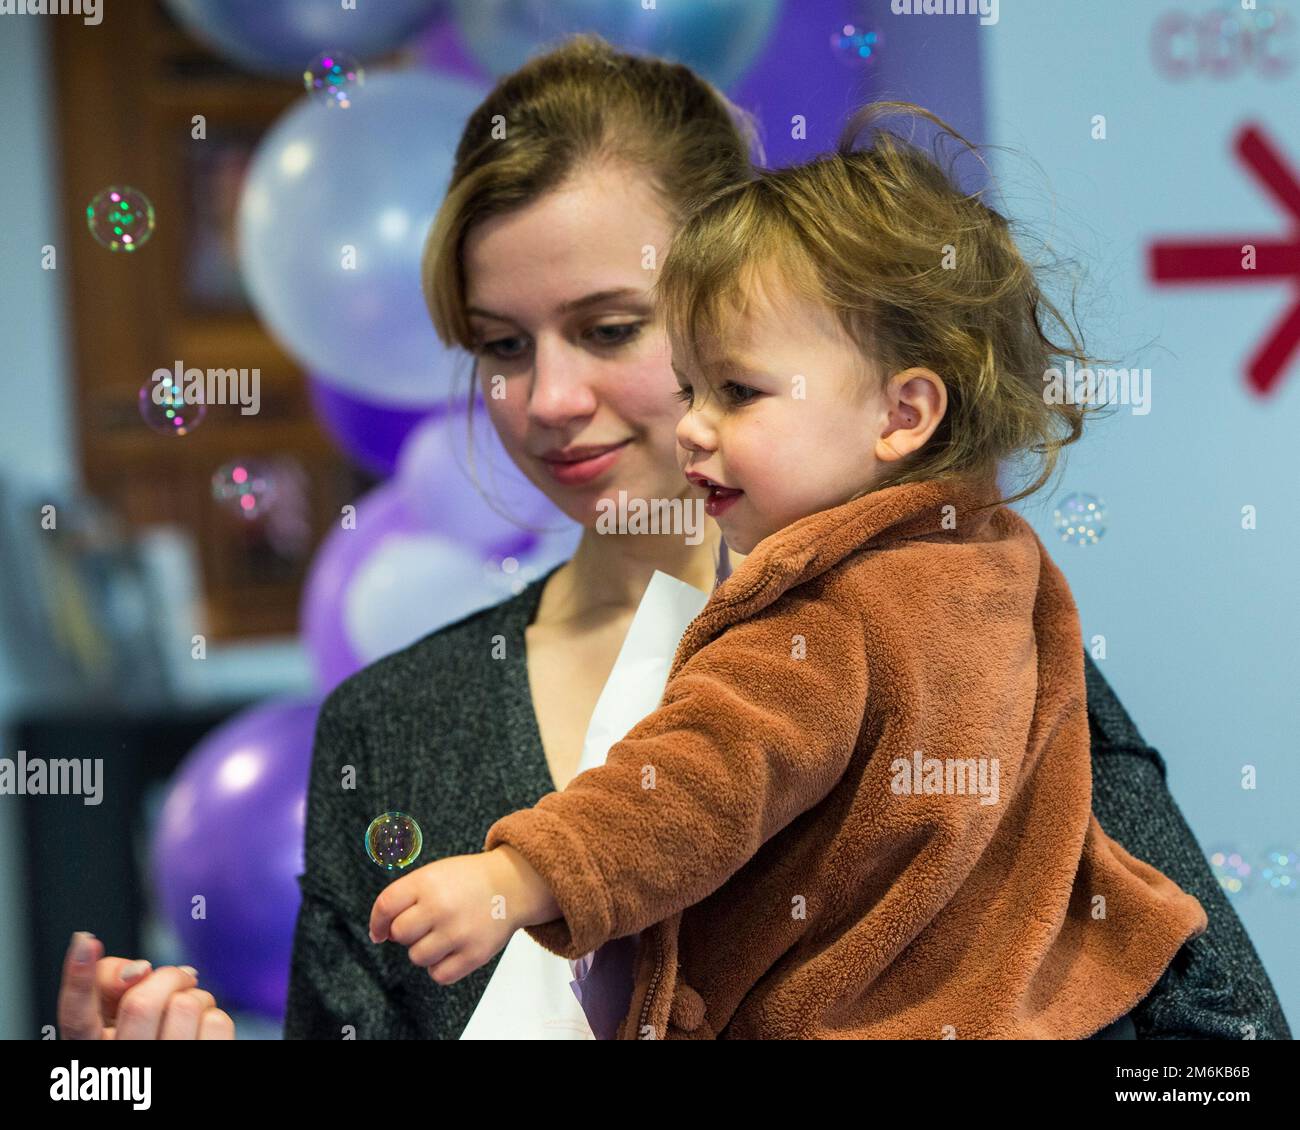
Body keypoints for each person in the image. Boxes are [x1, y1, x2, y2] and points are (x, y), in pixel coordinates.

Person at [56, 35, 1290, 1041]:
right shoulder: (390, 729)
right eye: (500, 344)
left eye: (610, 328)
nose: (545, 400)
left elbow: (1216, 1038)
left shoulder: (965, 636)